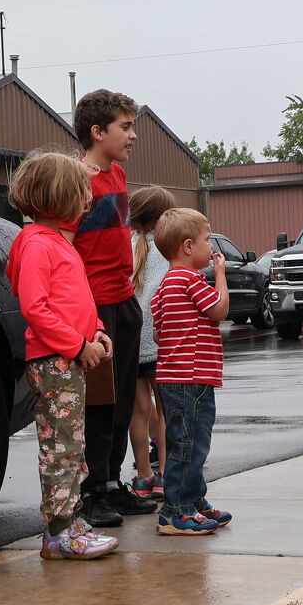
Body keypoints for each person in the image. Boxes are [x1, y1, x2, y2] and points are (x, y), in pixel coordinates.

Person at [5, 151, 120, 560]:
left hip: (68, 356)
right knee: (62, 445)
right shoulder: (38, 244)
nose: (88, 201)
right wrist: (77, 345)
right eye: (81, 193)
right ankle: (58, 531)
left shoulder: (52, 242)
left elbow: (72, 301)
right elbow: (36, 308)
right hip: (57, 359)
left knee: (72, 442)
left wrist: (98, 332)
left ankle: (70, 519)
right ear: (58, 196)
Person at [70, 89, 153, 526]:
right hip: (94, 303)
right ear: (97, 132)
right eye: (125, 127)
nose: (133, 135)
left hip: (123, 299)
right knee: (98, 402)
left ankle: (110, 482)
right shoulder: (76, 179)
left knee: (120, 400)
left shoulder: (117, 176)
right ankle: (90, 489)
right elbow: (64, 244)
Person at [150, 208, 232, 536]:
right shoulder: (190, 279)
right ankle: (175, 511)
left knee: (186, 441)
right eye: (206, 239)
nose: (210, 246)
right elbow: (220, 310)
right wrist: (220, 273)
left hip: (173, 377)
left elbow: (158, 332)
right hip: (192, 377)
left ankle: (195, 500)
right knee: (191, 444)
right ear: (187, 247)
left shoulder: (164, 285)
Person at [125, 185, 178, 503]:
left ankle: (144, 474)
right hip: (161, 339)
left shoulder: (127, 244)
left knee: (140, 410)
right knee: (166, 408)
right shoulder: (166, 248)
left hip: (133, 337)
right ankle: (167, 473)